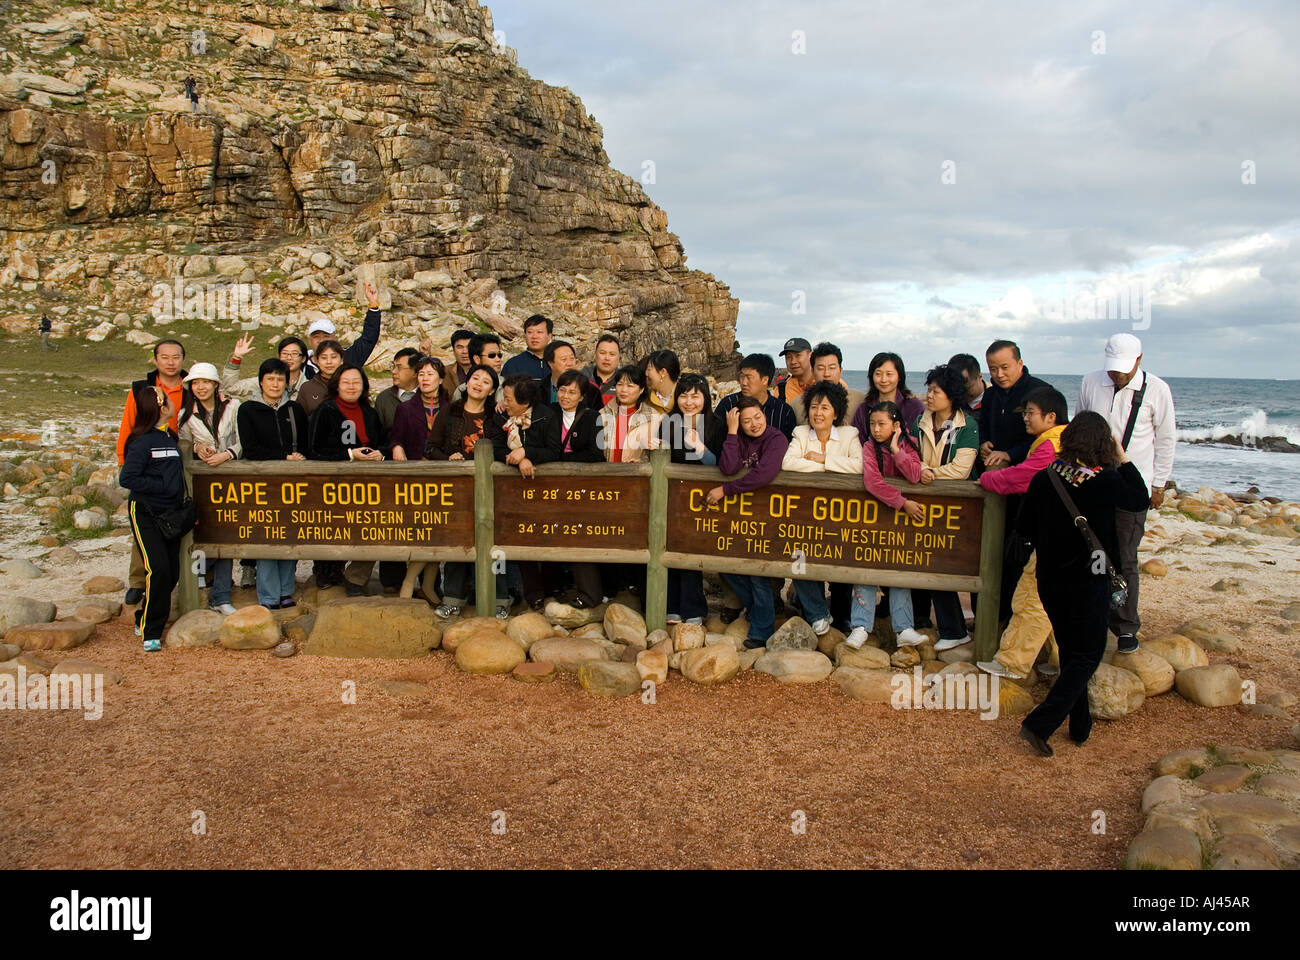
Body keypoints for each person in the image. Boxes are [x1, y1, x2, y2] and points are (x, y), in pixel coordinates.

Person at [1015, 413, 1150, 757]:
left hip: (1050, 581)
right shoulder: (1106, 481)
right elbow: (1140, 498)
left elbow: (1025, 529)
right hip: (1090, 580)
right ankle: (1040, 724)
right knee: (1088, 655)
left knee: (1073, 652)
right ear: (1103, 445)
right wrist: (1124, 458)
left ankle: (1080, 726)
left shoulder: (1046, 478)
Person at [1079, 333, 1176, 653]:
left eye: (1122, 368)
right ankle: (1091, 616)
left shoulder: (1158, 390)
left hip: (1133, 485)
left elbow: (1165, 440)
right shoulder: (1091, 382)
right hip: (1093, 482)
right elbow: (1080, 426)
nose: (1116, 374)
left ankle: (1125, 626)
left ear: (1139, 360)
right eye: (1112, 367)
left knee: (1125, 557)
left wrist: (1159, 484)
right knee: (1091, 552)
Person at [974, 387, 1069, 680]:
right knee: (1054, 600)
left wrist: (987, 478)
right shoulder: (1066, 440)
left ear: (1050, 417)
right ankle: (1063, 661)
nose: (1025, 419)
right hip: (1065, 534)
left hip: (1053, 535)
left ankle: (1012, 663)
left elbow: (1024, 477)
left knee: (1030, 597)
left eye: (1030, 413)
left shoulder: (1050, 445)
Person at [780, 381, 863, 635]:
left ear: (835, 413)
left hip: (840, 516)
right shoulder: (801, 433)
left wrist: (824, 459)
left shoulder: (849, 435)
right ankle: (817, 613)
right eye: (814, 407)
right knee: (799, 558)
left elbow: (859, 467)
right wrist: (831, 467)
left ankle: (842, 617)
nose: (818, 413)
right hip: (805, 515)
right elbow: (788, 463)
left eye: (825, 408)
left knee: (843, 561)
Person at [843, 401, 929, 649]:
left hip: (900, 524)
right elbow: (872, 482)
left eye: (882, 424)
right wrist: (902, 502)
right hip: (875, 517)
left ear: (896, 425)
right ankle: (860, 627)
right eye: (872, 424)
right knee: (867, 568)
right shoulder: (869, 447)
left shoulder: (909, 443)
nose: (876, 429)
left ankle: (904, 628)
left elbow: (914, 475)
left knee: (899, 570)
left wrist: (895, 449)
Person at [708, 397, 790, 648]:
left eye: (758, 417)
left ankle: (760, 632)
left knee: (757, 574)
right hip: (740, 519)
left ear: (765, 415)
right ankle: (761, 610)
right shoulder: (738, 438)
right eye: (746, 421)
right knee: (727, 566)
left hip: (769, 517)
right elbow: (728, 467)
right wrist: (732, 433)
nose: (754, 424)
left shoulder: (776, 439)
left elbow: (764, 474)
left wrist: (726, 490)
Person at [429, 365, 505, 618]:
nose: (478, 384)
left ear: (493, 389)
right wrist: (448, 458)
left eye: (486, 381)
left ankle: (500, 600)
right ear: (466, 382)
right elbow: (431, 448)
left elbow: (506, 447)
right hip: (457, 490)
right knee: (458, 543)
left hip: (492, 491)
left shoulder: (497, 416)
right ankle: (452, 598)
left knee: (497, 546)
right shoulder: (450, 412)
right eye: (475, 378)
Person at [116, 339, 188, 606]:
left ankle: (191, 576)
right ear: (155, 359)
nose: (171, 362)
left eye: (176, 357)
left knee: (181, 518)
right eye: (165, 357)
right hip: (149, 460)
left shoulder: (191, 387)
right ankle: (139, 580)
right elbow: (128, 425)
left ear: (183, 360)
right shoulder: (141, 390)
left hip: (180, 457)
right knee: (146, 525)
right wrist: (124, 459)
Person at [914, 364, 979, 652]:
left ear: (951, 395)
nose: (929, 395)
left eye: (935, 391)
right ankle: (923, 623)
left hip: (957, 510)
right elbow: (910, 458)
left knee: (942, 565)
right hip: (923, 505)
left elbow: (961, 470)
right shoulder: (920, 421)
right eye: (928, 389)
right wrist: (921, 470)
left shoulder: (968, 426)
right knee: (920, 561)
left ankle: (955, 629)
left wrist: (927, 473)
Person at [236, 358, 308, 609]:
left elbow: (305, 443)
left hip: (292, 482)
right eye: (270, 379)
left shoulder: (295, 410)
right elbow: (251, 449)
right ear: (260, 381)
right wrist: (283, 457)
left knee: (290, 534)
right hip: (261, 483)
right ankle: (268, 595)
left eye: (280, 379)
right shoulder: (247, 410)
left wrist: (299, 457)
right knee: (267, 536)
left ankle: (286, 590)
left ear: (287, 382)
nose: (276, 384)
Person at [120, 386, 187, 651]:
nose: (173, 403)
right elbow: (128, 478)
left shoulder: (170, 436)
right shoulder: (141, 441)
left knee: (170, 572)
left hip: (170, 515)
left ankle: (143, 614)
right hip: (146, 513)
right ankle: (151, 632)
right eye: (169, 401)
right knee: (157, 568)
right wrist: (163, 486)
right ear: (161, 407)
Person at [659, 374, 726, 625]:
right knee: (670, 548)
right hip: (672, 494)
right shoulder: (668, 422)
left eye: (695, 395)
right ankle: (672, 606)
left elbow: (720, 464)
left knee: (692, 550)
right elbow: (661, 459)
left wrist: (700, 447)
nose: (689, 401)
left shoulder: (716, 425)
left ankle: (694, 607)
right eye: (684, 395)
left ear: (705, 398)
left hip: (704, 497)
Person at [176, 362, 242, 616]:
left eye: (205, 382)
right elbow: (185, 444)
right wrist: (196, 449)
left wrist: (228, 454)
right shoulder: (186, 414)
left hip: (232, 481)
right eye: (196, 383)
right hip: (203, 484)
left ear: (215, 384)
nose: (200, 387)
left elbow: (241, 439)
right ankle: (199, 577)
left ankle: (221, 595)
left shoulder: (234, 406)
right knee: (202, 533)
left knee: (226, 536)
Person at [490, 374, 560, 609]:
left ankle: (552, 588)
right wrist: (518, 459)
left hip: (545, 491)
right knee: (519, 538)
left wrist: (526, 452)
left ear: (525, 400)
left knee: (550, 537)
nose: (505, 402)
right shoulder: (500, 416)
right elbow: (495, 448)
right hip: (513, 493)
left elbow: (553, 450)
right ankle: (532, 593)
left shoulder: (547, 416)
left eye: (509, 398)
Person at [549, 369, 607, 609]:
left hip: (582, 489)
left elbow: (596, 454)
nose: (565, 396)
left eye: (572, 392)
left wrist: (560, 460)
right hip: (553, 488)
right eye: (562, 390)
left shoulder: (592, 417)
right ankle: (555, 589)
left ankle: (590, 594)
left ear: (582, 396)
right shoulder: (549, 413)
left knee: (580, 537)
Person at [979, 339, 1049, 470]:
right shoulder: (989, 394)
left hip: (1032, 463)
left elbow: (1048, 435)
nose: (999, 374)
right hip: (995, 459)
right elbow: (982, 425)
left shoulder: (1041, 392)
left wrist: (1010, 454)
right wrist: (983, 442)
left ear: (1020, 363)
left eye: (1005, 368)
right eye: (993, 369)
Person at [301, 282, 383, 374]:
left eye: (326, 336)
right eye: (316, 336)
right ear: (309, 340)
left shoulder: (348, 357)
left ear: (335, 338)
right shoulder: (301, 363)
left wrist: (373, 305)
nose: (321, 340)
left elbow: (368, 339)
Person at [714, 353, 796, 440]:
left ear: (765, 380)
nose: (744, 382)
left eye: (749, 377)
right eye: (742, 377)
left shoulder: (783, 411)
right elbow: (713, 439)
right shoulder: (728, 404)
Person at [223, 334, 312, 404]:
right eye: (284, 353)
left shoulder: (308, 388)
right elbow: (232, 388)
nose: (289, 357)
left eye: (294, 354)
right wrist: (237, 357)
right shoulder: (266, 381)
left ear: (303, 358)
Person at [390, 355, 448, 461]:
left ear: (440, 380)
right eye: (421, 374)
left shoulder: (450, 408)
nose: (425, 378)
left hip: (444, 466)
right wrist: (396, 447)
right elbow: (396, 439)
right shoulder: (405, 408)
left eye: (430, 374)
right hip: (415, 468)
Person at [598, 364, 655, 464]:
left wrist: (641, 462)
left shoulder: (652, 418)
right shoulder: (603, 414)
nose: (623, 390)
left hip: (636, 476)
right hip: (606, 475)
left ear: (641, 389)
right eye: (620, 384)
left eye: (630, 386)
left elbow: (656, 454)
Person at [808, 342, 867, 428]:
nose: (827, 374)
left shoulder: (860, 400)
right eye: (821, 368)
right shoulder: (798, 405)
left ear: (840, 371)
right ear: (813, 372)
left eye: (832, 368)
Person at [373, 346, 420, 438]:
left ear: (415, 372)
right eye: (393, 367)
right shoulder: (383, 399)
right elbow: (378, 436)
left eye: (399, 367)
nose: (394, 372)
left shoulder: (427, 396)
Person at [451, 333, 506, 406]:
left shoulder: (507, 386)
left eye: (499, 355)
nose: (498, 359)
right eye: (492, 355)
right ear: (477, 359)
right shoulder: (462, 390)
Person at [294, 338, 345, 418]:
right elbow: (298, 421)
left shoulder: (350, 385)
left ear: (341, 360)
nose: (329, 362)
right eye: (324, 358)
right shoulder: (307, 388)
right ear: (317, 361)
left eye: (333, 357)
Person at [501, 314, 552, 382]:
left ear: (549, 336)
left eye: (539, 332)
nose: (534, 336)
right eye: (530, 332)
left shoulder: (558, 363)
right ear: (525, 335)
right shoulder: (513, 365)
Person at [582, 333, 622, 406]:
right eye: (602, 353)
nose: (607, 358)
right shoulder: (582, 378)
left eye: (612, 354)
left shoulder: (624, 381)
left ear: (619, 357)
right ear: (595, 354)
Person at [776, 337, 815, 407]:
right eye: (788, 357)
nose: (793, 361)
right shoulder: (782, 390)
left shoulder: (827, 383)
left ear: (810, 356)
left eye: (798, 355)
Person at [643, 350, 680, 415]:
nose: (646, 373)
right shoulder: (646, 398)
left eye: (649, 369)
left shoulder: (683, 395)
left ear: (663, 372)